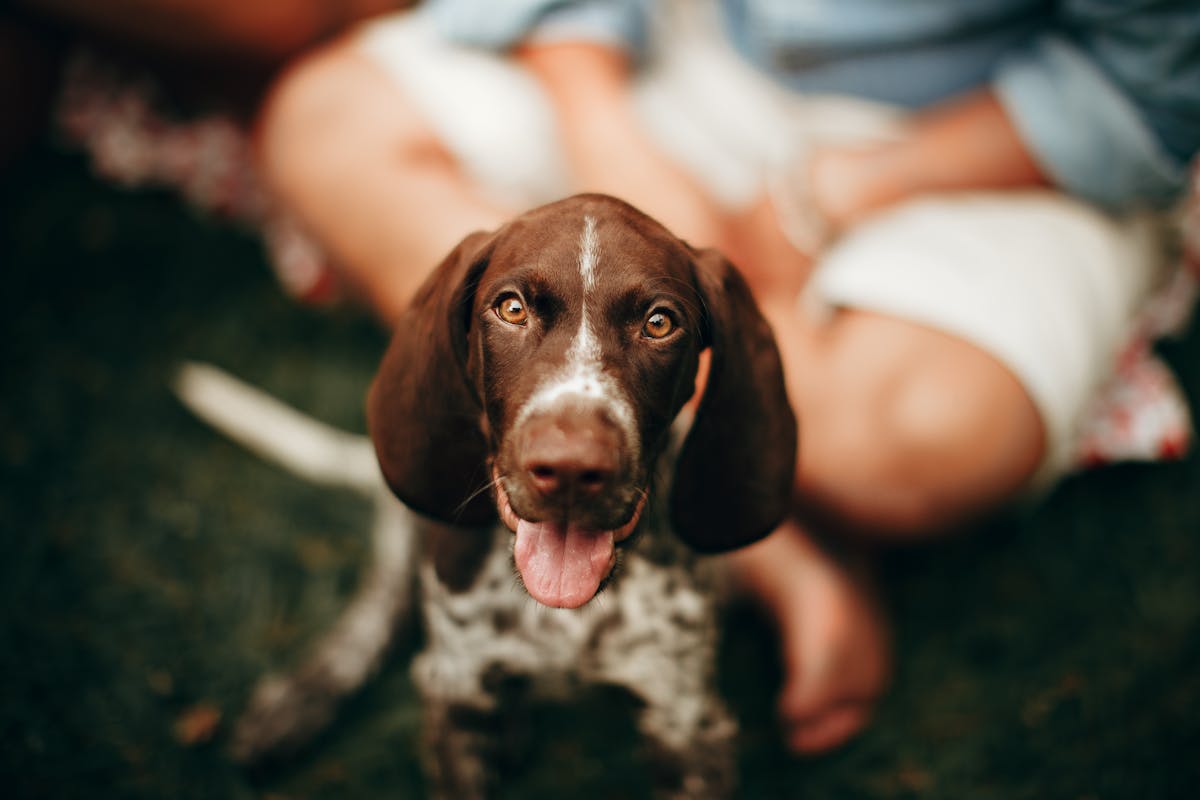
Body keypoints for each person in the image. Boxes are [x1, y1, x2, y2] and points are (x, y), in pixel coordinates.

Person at [251, 0, 1200, 754]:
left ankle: (743, 464)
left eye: (665, 320)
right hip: (677, 45)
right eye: (513, 309)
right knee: (321, 122)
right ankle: (767, 539)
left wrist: (830, 195)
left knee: (931, 438)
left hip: (990, 127)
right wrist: (596, 110)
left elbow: (1144, 82)